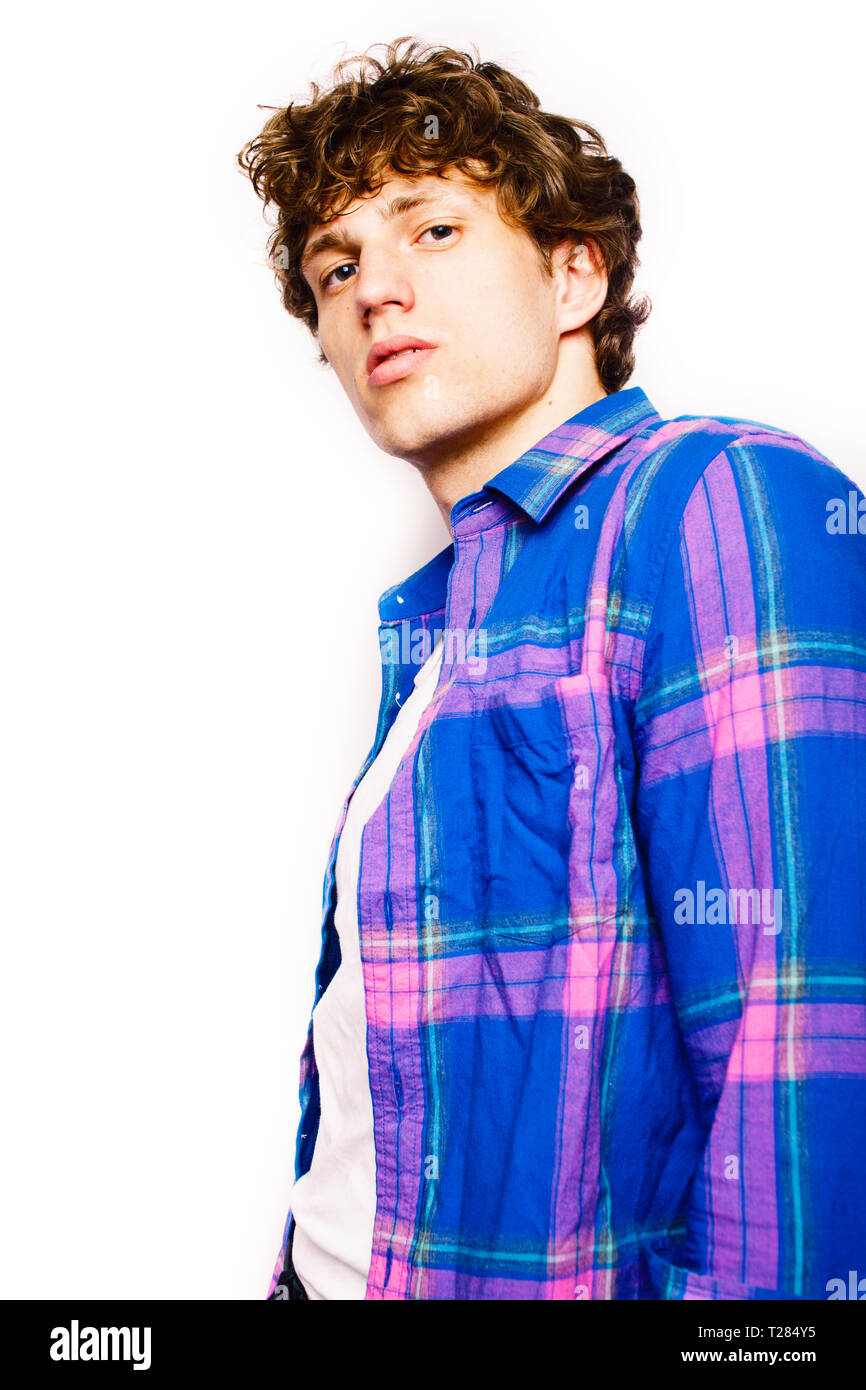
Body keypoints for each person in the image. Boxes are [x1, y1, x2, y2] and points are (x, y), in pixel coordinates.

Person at [237, 37, 866, 1300]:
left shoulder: (714, 498)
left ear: (574, 273)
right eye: (335, 265)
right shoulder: (434, 629)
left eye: (432, 230)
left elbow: (799, 1040)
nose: (372, 291)